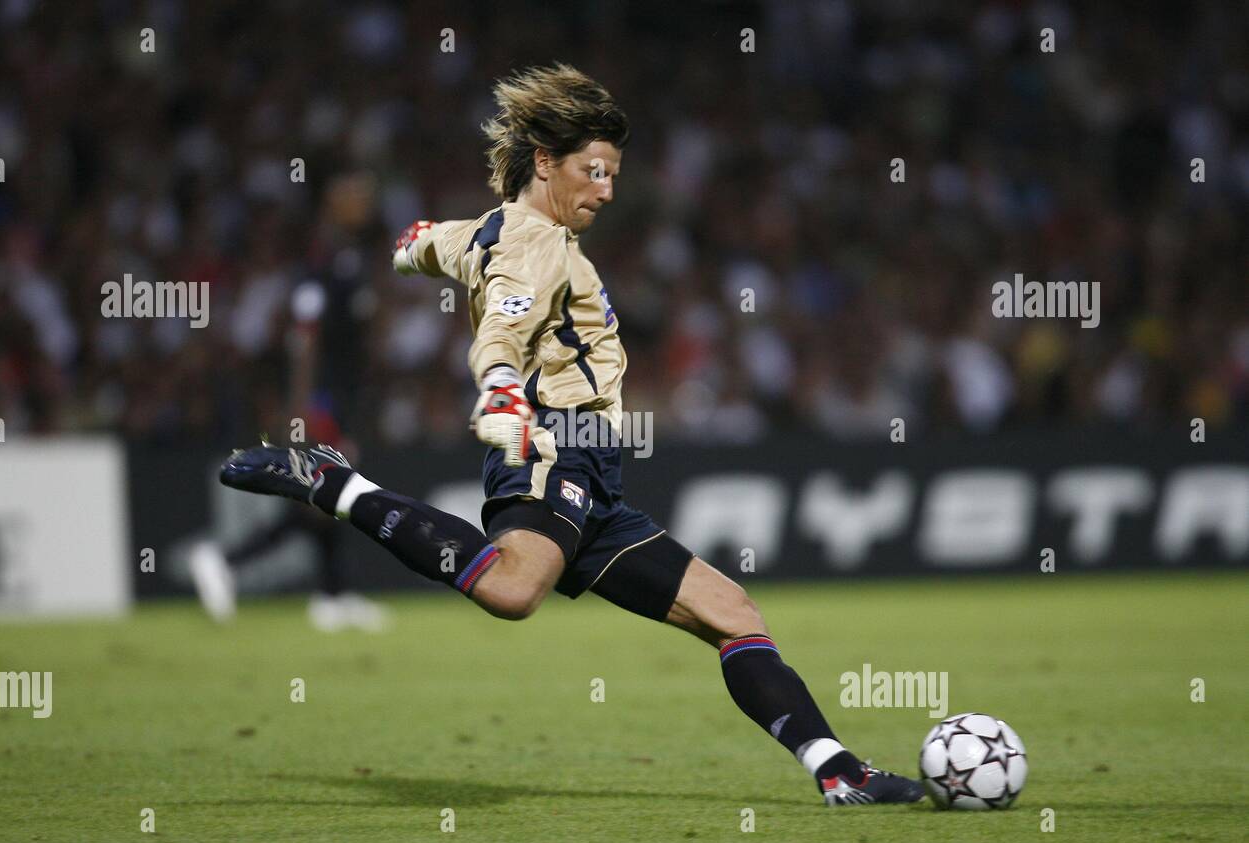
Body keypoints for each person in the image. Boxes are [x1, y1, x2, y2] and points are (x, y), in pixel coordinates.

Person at [219, 63, 921, 805]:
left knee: (732, 612)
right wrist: (497, 386)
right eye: (595, 171)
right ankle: (335, 485)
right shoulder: (540, 244)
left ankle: (838, 771)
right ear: (546, 164)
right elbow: (503, 328)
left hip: (596, 479)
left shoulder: (487, 231)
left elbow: (423, 244)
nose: (607, 191)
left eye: (614, 173)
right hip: (554, 450)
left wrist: (417, 243)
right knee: (517, 589)